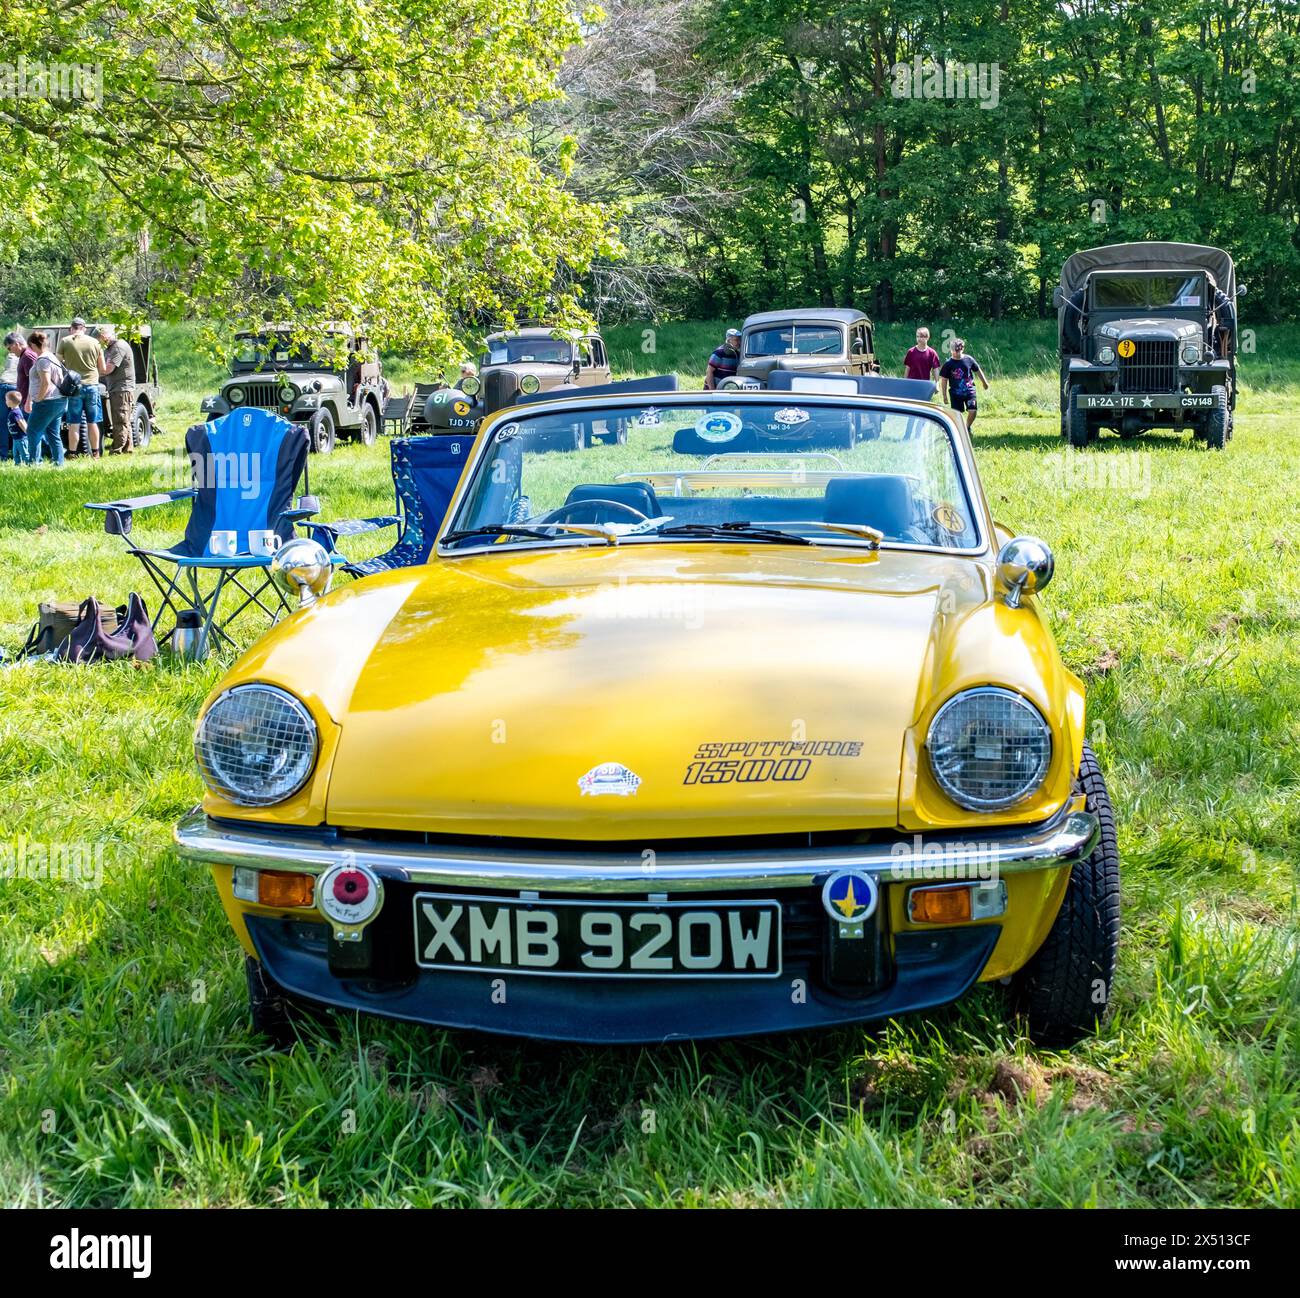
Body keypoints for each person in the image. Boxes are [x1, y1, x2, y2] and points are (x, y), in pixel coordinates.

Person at [56, 316, 104, 457]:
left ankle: (72, 453)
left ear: (72, 328)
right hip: (92, 386)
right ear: (84, 328)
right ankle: (95, 453)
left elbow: (58, 363)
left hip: (75, 387)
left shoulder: (65, 341)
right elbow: (102, 368)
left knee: (74, 422)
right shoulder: (95, 342)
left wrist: (69, 361)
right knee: (92, 421)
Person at [23, 331, 68, 466]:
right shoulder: (52, 357)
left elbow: (46, 382)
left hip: (47, 401)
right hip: (58, 400)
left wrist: (38, 399)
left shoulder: (42, 360)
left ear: (32, 344)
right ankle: (59, 463)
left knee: (32, 431)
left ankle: (34, 463)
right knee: (53, 433)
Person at [96, 324, 137, 452]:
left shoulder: (118, 347)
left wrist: (93, 372)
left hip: (122, 389)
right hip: (118, 388)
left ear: (104, 336)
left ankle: (117, 449)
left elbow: (108, 369)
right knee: (124, 419)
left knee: (120, 419)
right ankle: (127, 448)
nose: (99, 341)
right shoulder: (112, 347)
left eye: (99, 338)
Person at [938, 337, 990, 430]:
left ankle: (967, 427)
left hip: (970, 391)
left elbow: (977, 370)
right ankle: (960, 429)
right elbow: (944, 380)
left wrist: (984, 382)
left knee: (973, 411)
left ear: (963, 349)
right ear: (951, 350)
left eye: (959, 350)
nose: (957, 353)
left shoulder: (969, 359)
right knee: (957, 414)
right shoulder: (948, 364)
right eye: (955, 350)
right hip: (955, 393)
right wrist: (944, 396)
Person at [4, 389, 29, 463]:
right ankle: (17, 465)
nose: (5, 402)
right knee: (16, 454)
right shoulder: (13, 411)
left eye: (6, 400)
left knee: (24, 453)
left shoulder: (15, 412)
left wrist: (27, 432)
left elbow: (21, 422)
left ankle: (29, 465)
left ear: (10, 402)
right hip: (15, 438)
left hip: (21, 438)